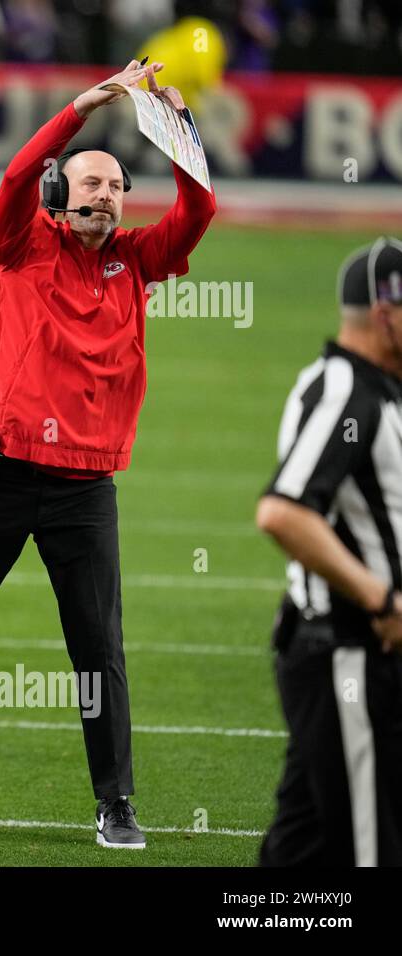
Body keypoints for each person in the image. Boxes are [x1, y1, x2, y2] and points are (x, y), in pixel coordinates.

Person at [0, 60, 217, 849]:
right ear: (62, 193)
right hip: (2, 472)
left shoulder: (137, 261)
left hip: (86, 487)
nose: (104, 196)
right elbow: (20, 172)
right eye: (90, 183)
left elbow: (202, 205)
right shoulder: (20, 242)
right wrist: (84, 109)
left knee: (99, 651)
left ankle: (115, 801)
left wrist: (177, 121)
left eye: (117, 187)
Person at [256, 237, 402, 867]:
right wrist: (381, 597)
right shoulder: (349, 393)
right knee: (372, 853)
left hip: (352, 653)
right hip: (349, 652)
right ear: (386, 312)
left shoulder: (374, 389)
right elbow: (284, 512)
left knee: (301, 854)